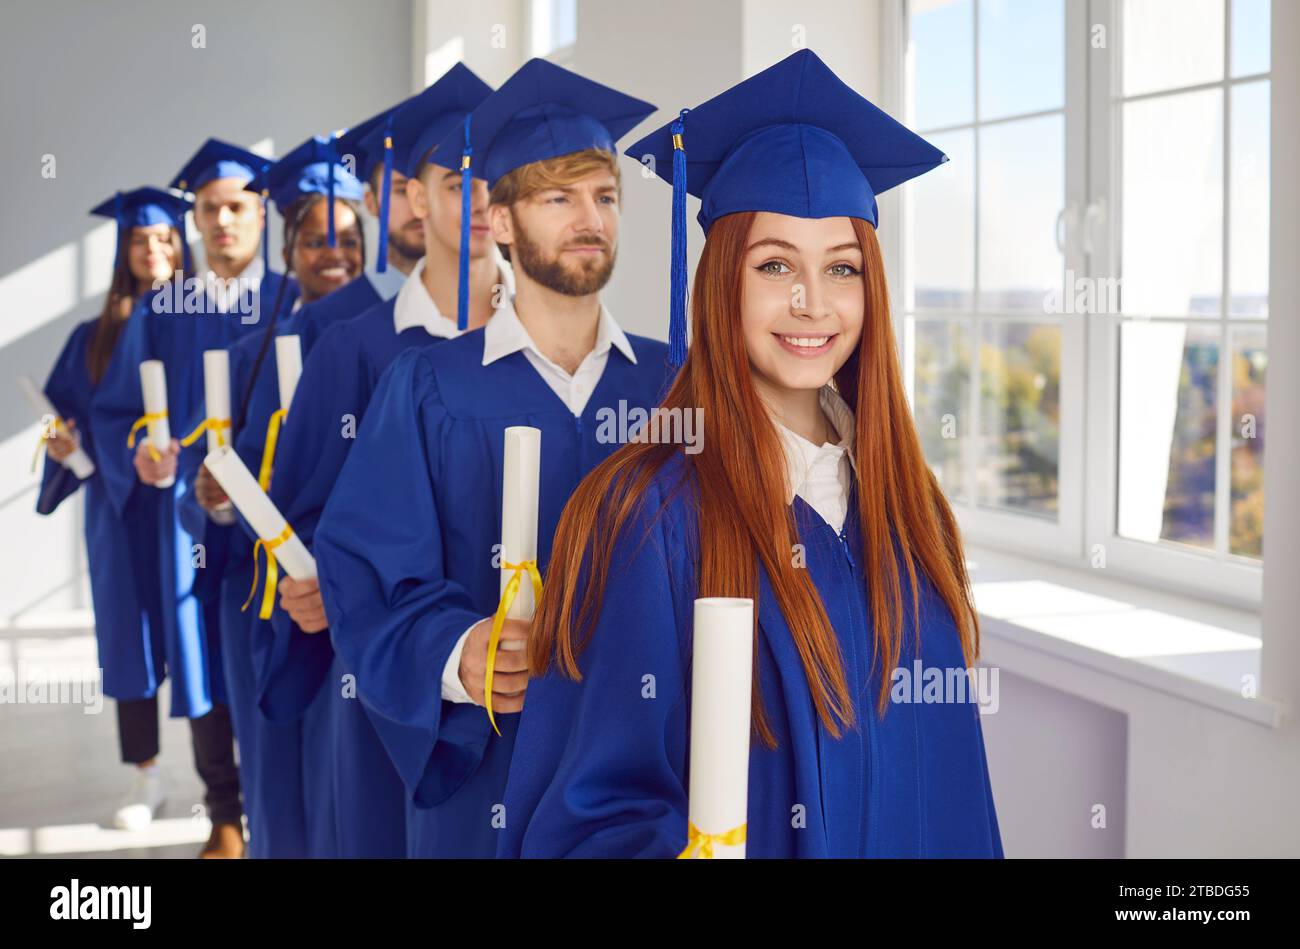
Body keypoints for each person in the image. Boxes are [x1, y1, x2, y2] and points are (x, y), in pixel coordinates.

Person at [498, 49, 1004, 858]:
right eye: (775, 265)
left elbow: (952, 787)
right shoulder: (644, 518)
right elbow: (593, 816)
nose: (813, 302)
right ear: (720, 282)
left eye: (841, 267)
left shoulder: (909, 506)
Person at [311, 58, 669, 858]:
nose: (591, 218)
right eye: (558, 197)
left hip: (645, 780)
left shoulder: (676, 384)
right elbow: (367, 572)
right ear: (500, 221)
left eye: (605, 196)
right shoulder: (428, 385)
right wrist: (454, 652)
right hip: (489, 773)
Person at [261, 63, 496, 859]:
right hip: (380, 683)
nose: (478, 195)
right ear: (412, 197)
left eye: (495, 176)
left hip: (522, 682)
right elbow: (303, 509)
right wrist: (317, 578)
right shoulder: (353, 348)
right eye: (454, 178)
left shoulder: (562, 355)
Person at [90, 140, 297, 859]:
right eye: (209, 209)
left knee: (281, 656)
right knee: (203, 658)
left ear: (261, 212)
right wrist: (143, 450)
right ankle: (226, 814)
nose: (223, 221)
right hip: (194, 520)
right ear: (197, 221)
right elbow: (117, 410)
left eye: (237, 206)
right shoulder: (163, 310)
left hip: (284, 520)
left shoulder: (294, 300)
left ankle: (284, 816)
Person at [38, 187, 243, 857]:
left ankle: (223, 800)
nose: (153, 250)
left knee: (194, 640)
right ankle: (145, 778)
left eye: (163, 238)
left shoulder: (202, 317)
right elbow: (77, 416)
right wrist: (77, 451)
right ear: (122, 253)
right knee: (128, 640)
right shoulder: (91, 338)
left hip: (183, 505)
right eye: (139, 241)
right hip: (119, 507)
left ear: (181, 244)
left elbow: (225, 404)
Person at [184, 135, 367, 858]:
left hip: (353, 606)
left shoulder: (396, 349)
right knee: (277, 787)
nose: (334, 253)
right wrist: (214, 499)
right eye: (316, 239)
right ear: (288, 250)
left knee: (348, 786)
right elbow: (203, 494)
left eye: (349, 239)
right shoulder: (245, 357)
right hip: (260, 610)